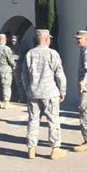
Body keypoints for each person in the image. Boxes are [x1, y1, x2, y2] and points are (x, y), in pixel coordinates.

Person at [21, 29, 67, 160]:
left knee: (33, 121)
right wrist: (62, 91)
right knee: (53, 120)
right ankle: (55, 149)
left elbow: (23, 75)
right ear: (46, 39)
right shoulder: (53, 54)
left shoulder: (30, 54)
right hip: (50, 93)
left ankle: (31, 149)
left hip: (34, 93)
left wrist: (27, 90)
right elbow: (60, 75)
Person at [0, 34, 15, 109]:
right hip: (5, 68)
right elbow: (10, 60)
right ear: (4, 39)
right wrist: (14, 65)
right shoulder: (6, 48)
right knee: (6, 86)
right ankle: (6, 103)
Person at [10, 35, 25, 103]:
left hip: (18, 67)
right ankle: (13, 97)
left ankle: (22, 97)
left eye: (14, 41)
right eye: (12, 41)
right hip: (12, 67)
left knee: (19, 83)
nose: (13, 42)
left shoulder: (20, 48)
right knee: (12, 83)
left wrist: (11, 57)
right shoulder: (11, 48)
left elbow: (20, 56)